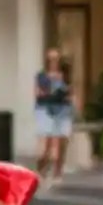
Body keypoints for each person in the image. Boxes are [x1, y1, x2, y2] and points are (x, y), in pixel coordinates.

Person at [34, 48, 77, 183]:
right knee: (46, 145)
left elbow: (71, 92)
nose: (54, 62)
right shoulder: (42, 76)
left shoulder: (65, 75)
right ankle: (41, 171)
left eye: (56, 59)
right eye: (51, 59)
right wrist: (51, 92)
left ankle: (58, 173)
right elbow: (38, 93)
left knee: (61, 142)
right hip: (46, 110)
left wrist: (72, 99)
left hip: (63, 110)